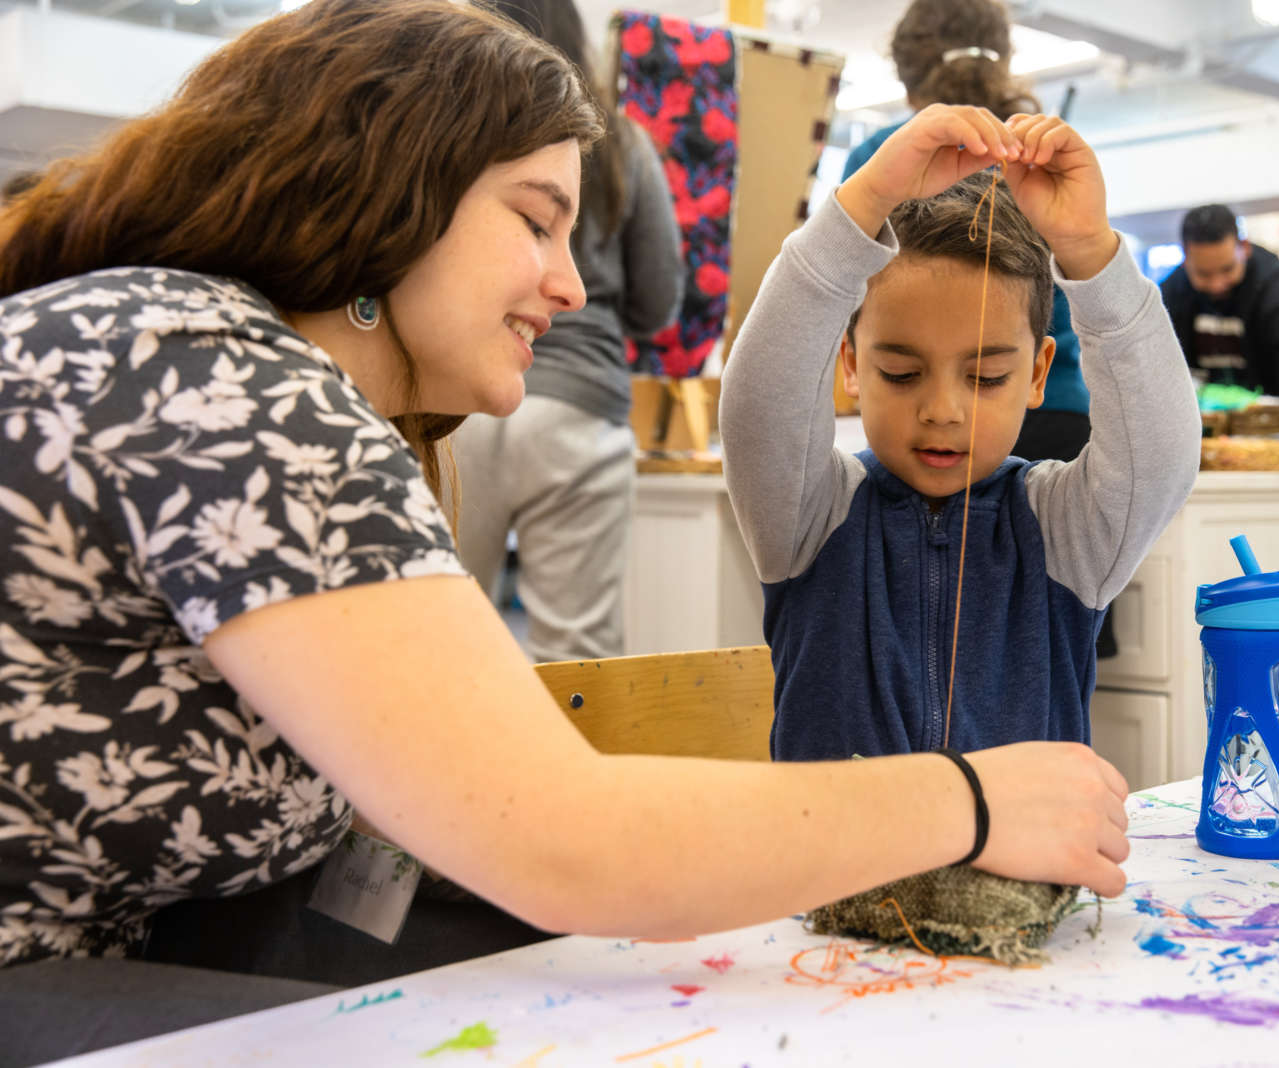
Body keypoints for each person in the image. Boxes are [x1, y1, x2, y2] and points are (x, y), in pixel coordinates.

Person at [0, 1, 1133, 1057]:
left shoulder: (270, 382)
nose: (568, 284)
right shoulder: (225, 385)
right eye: (536, 221)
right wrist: (972, 799)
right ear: (391, 193)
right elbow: (565, 837)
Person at [721, 104, 1199, 761]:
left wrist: (1090, 253)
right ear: (853, 365)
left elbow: (1163, 454)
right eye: (902, 371)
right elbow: (758, 403)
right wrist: (865, 200)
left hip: (1021, 867)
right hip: (845, 864)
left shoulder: (1066, 531)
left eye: (986, 378)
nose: (943, 410)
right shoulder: (810, 514)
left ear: (1037, 375)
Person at [452, 0, 682, 663]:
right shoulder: (623, 144)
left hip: (460, 407)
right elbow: (659, 299)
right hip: (580, 406)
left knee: (445, 640)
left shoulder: (457, 134)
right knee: (578, 662)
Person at [841, 0, 1092, 465]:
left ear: (908, 75)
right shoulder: (1047, 154)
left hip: (929, 413)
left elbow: (837, 288)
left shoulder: (879, 157)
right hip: (1055, 409)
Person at [1159, 204, 1279, 399]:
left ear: (1244, 248)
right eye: (1203, 274)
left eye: (1227, 270)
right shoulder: (1168, 300)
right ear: (1185, 259)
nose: (1216, 284)